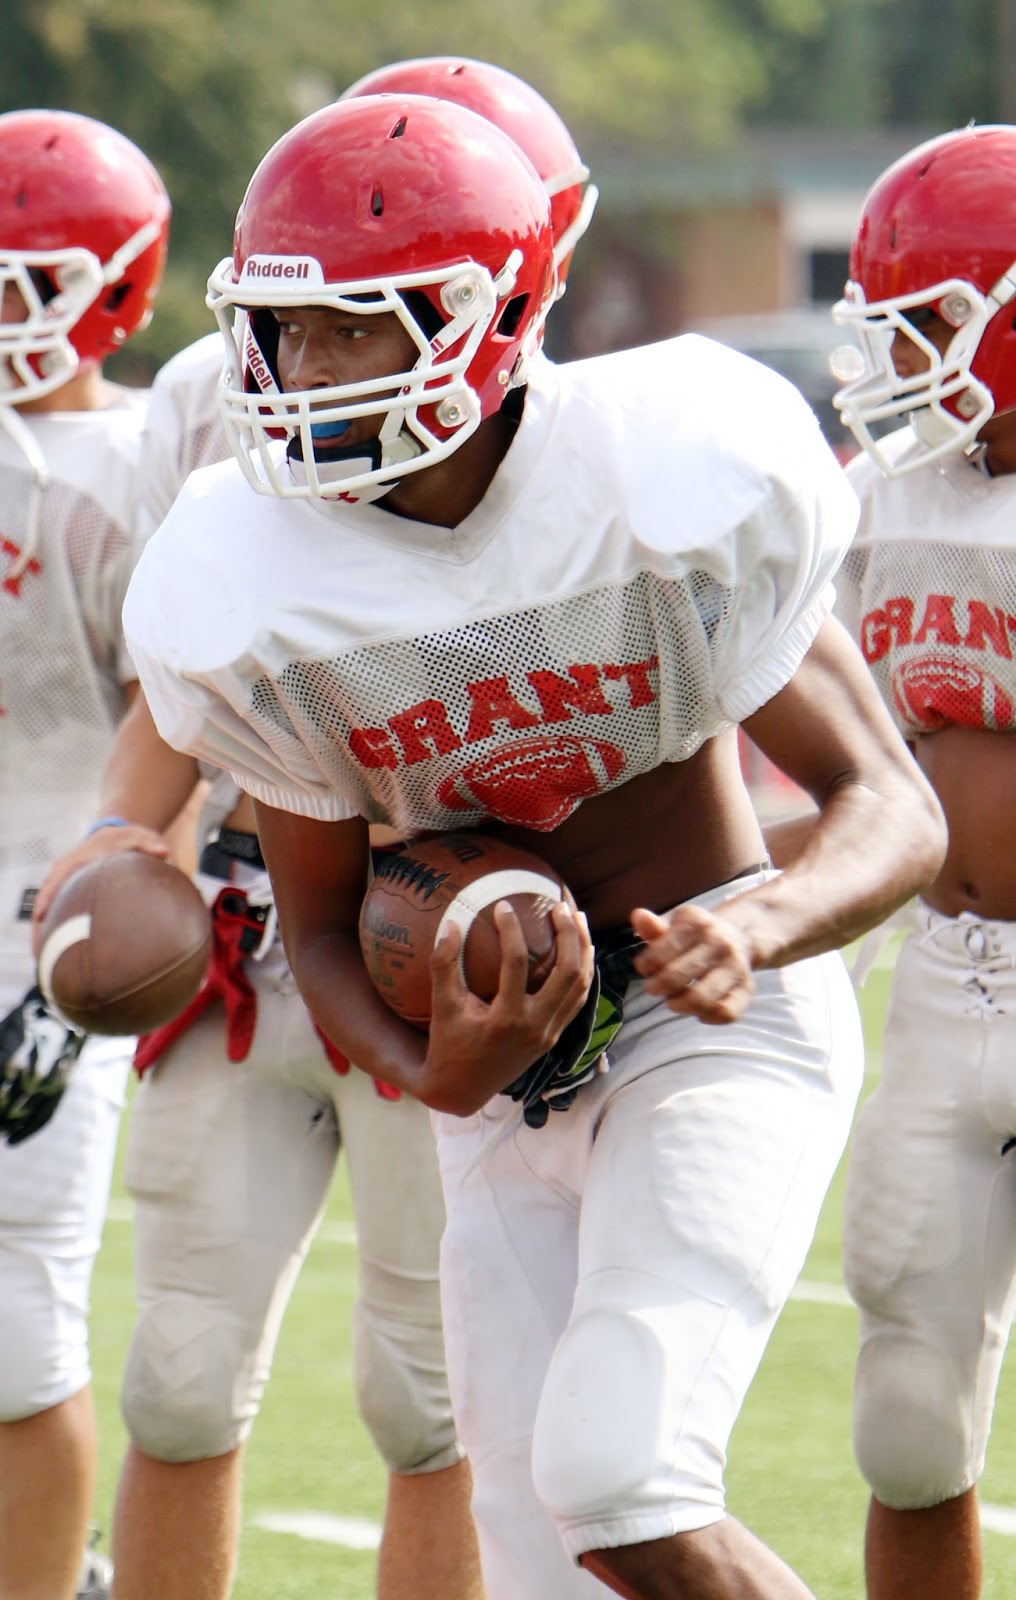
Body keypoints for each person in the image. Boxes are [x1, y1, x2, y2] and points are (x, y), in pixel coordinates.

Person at [122, 93, 946, 1600]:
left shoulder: (667, 474)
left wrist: (761, 927)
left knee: (625, 1480)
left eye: (352, 329)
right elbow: (313, 926)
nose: (303, 372)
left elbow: (895, 806)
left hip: (715, 1015)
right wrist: (426, 1065)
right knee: (541, 1563)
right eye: (285, 333)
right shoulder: (249, 574)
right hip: (497, 1083)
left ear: (481, 310)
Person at [35, 59, 600, 1600]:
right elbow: (188, 678)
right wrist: (109, 844)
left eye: (375, 307)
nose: (326, 351)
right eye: (312, 312)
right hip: (241, 933)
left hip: (438, 947)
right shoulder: (237, 446)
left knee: (432, 1401)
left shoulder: (585, 476)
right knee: (178, 1367)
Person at [823, 122, 1016, 1600]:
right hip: (946, 980)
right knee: (906, 1418)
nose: (897, 356)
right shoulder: (879, 496)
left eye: (933, 320)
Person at [0, 108, 170, 1600]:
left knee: (15, 1315)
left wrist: (89, 954)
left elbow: (179, 731)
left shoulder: (136, 465)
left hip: (47, 915)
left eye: (18, 282)